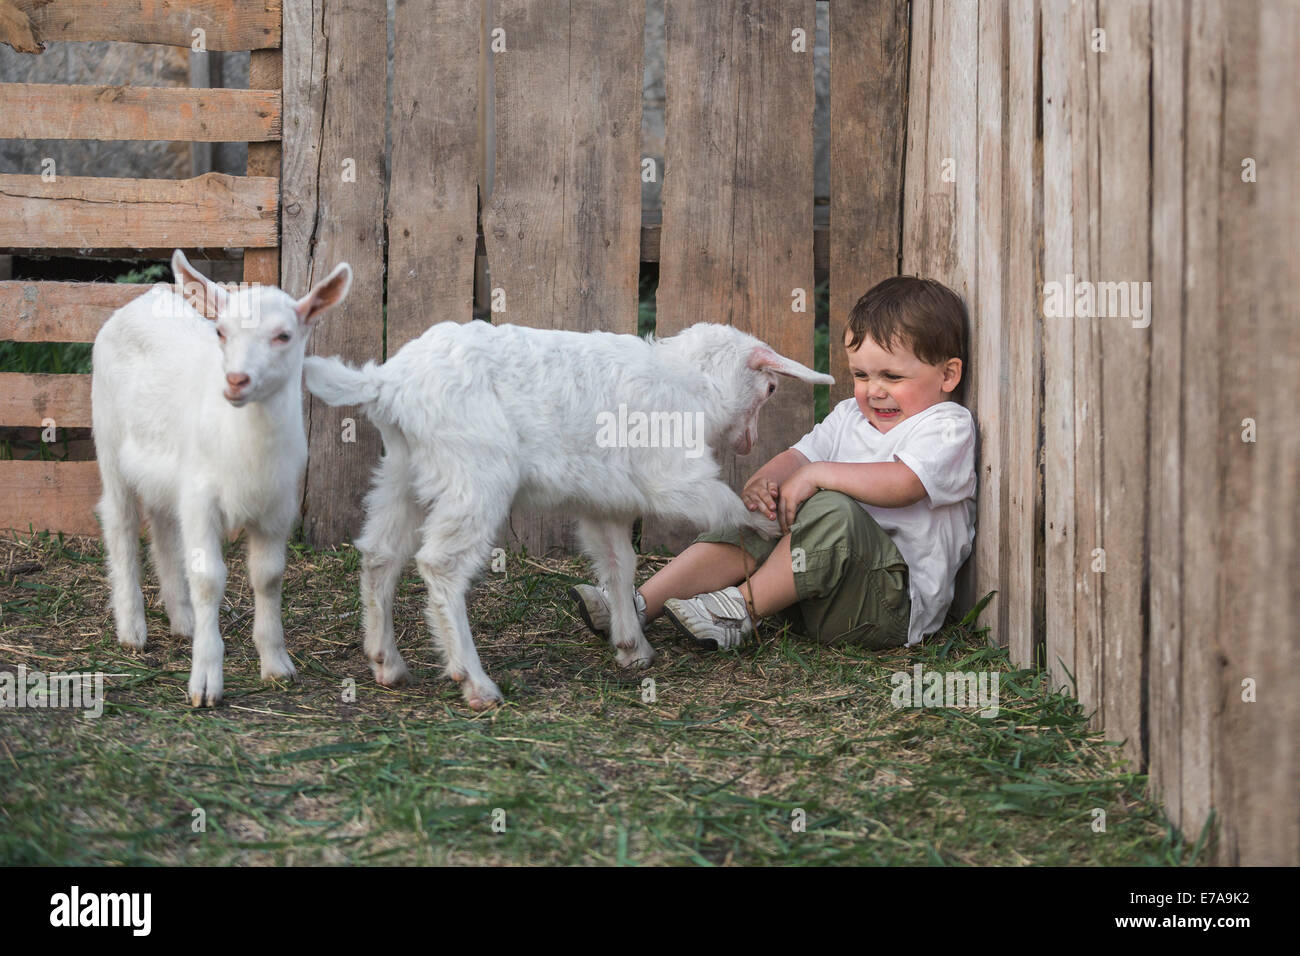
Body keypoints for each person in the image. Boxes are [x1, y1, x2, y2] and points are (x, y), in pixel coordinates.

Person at [572, 275, 977, 653]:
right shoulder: (850, 416)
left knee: (832, 509)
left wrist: (817, 475)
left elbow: (904, 483)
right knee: (760, 512)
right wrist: (765, 484)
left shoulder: (946, 425)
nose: (874, 391)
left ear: (947, 375)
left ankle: (736, 611)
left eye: (891, 376)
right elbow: (796, 458)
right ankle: (638, 603)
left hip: (885, 608)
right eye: (861, 375)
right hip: (808, 599)